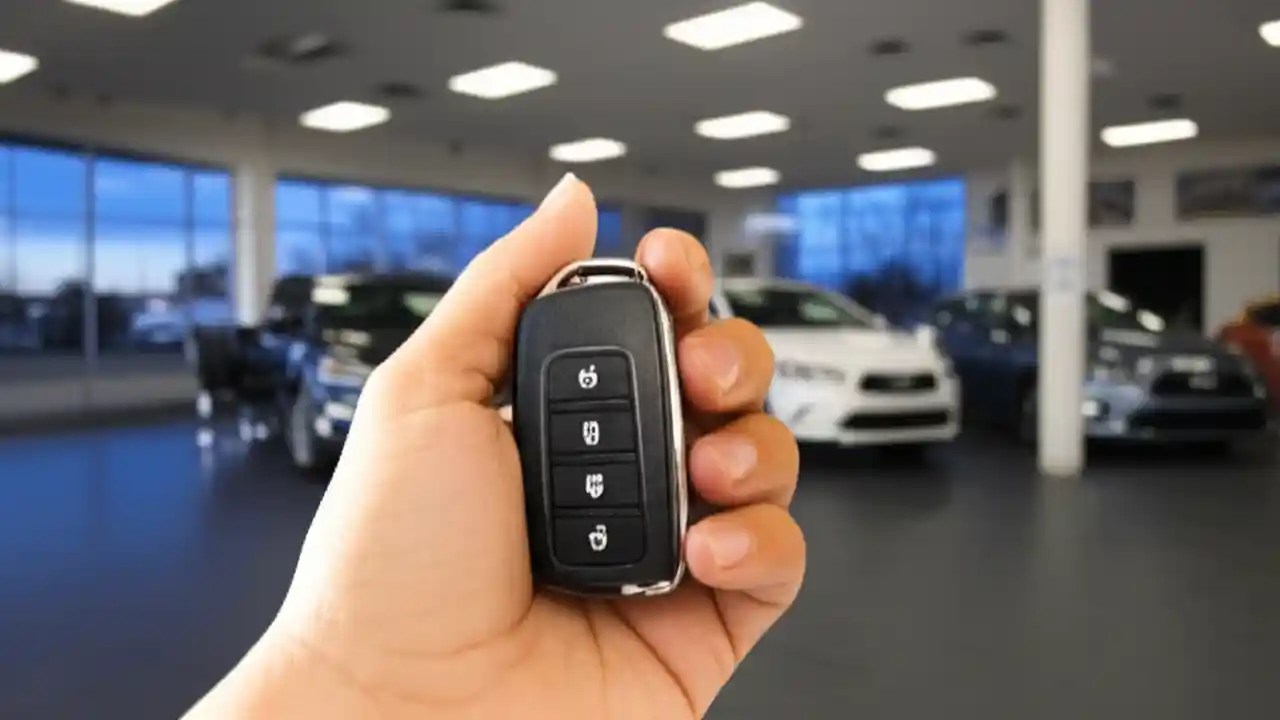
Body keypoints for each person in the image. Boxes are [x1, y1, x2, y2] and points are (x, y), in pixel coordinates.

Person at [185, 174, 805, 719]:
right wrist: (355, 672)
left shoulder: (546, 322)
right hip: (543, 607)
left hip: (606, 609)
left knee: (721, 459)